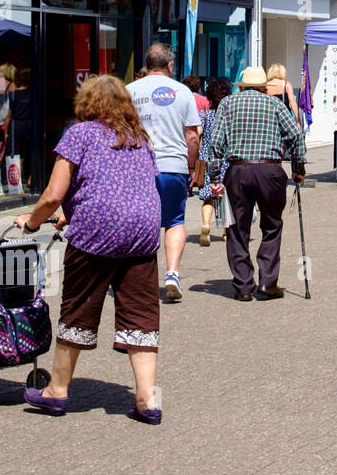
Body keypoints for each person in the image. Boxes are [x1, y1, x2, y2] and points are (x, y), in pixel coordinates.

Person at [14, 75, 164, 424]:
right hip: (142, 233)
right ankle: (147, 401)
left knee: (78, 308)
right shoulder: (139, 137)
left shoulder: (79, 135)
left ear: (87, 103)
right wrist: (77, 213)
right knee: (141, 315)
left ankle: (56, 391)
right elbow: (130, 188)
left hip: (97, 235)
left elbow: (53, 195)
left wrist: (32, 223)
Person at [205, 66, 306, 301]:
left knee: (237, 229)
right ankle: (267, 283)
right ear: (263, 87)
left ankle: (243, 286)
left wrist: (215, 179)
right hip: (270, 170)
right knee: (272, 226)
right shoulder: (275, 104)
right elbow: (296, 136)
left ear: (242, 86)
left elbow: (215, 144)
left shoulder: (229, 104)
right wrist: (298, 169)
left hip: (238, 170)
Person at [127, 43, 201, 304]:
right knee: (174, 221)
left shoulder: (128, 91)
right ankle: (172, 273)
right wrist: (191, 167)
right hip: (173, 166)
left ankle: (135, 280)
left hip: (137, 168)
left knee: (138, 222)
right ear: (170, 65)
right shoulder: (183, 92)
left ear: (147, 64)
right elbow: (192, 136)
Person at [195, 77, 233, 246]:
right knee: (226, 196)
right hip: (226, 160)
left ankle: (205, 225)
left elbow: (197, 133)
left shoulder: (205, 115)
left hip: (207, 160)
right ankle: (226, 232)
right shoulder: (230, 115)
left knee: (208, 198)